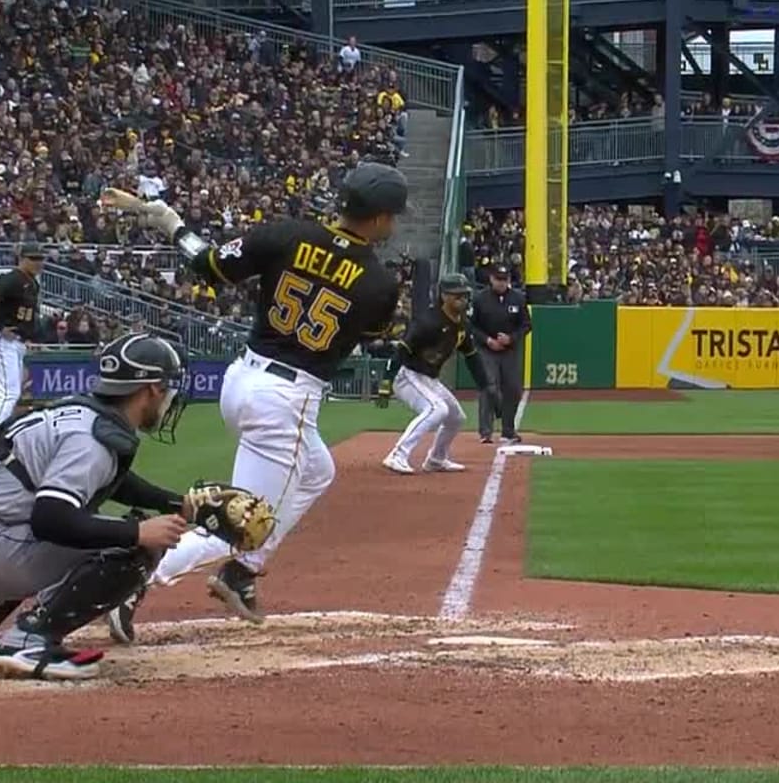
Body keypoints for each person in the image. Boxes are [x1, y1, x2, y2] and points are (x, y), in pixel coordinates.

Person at [95, 161, 402, 637]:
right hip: (287, 399)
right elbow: (372, 332)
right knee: (240, 523)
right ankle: (132, 581)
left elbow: (207, 263)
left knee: (318, 471)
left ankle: (242, 572)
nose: (393, 224)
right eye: (392, 217)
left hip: (241, 380)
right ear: (379, 218)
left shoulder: (286, 234)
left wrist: (169, 221)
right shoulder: (380, 283)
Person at [0, 333, 194, 681]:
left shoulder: (80, 414)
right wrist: (137, 532)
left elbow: (107, 478)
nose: (170, 397)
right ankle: (30, 641)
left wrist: (175, 503)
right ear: (153, 389)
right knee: (131, 547)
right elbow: (51, 520)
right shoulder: (91, 439)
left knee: (70, 523)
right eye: (168, 387)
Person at [378, 271, 489, 474]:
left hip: (429, 378)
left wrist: (485, 386)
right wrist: (386, 381)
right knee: (437, 409)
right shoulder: (428, 321)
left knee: (456, 418)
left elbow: (472, 356)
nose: (462, 299)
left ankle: (436, 459)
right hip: (408, 375)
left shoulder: (462, 324)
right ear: (444, 295)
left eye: (465, 295)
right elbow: (401, 350)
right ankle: (397, 455)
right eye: (457, 295)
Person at [0, 242, 45, 432]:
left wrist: (31, 337)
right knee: (9, 393)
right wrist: (0, 325)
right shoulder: (13, 278)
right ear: (22, 259)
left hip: (16, 341)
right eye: (33, 258)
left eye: (40, 259)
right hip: (2, 340)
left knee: (12, 393)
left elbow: (28, 317)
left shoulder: (32, 283)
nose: (38, 262)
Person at [469, 265, 532, 443]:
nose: (502, 283)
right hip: (487, 349)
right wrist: (487, 340)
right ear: (491, 279)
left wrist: (511, 338)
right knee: (489, 387)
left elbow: (526, 325)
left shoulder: (518, 298)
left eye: (505, 279)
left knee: (513, 389)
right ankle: (485, 431)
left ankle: (508, 430)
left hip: (510, 350)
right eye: (498, 279)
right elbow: (471, 325)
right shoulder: (480, 298)